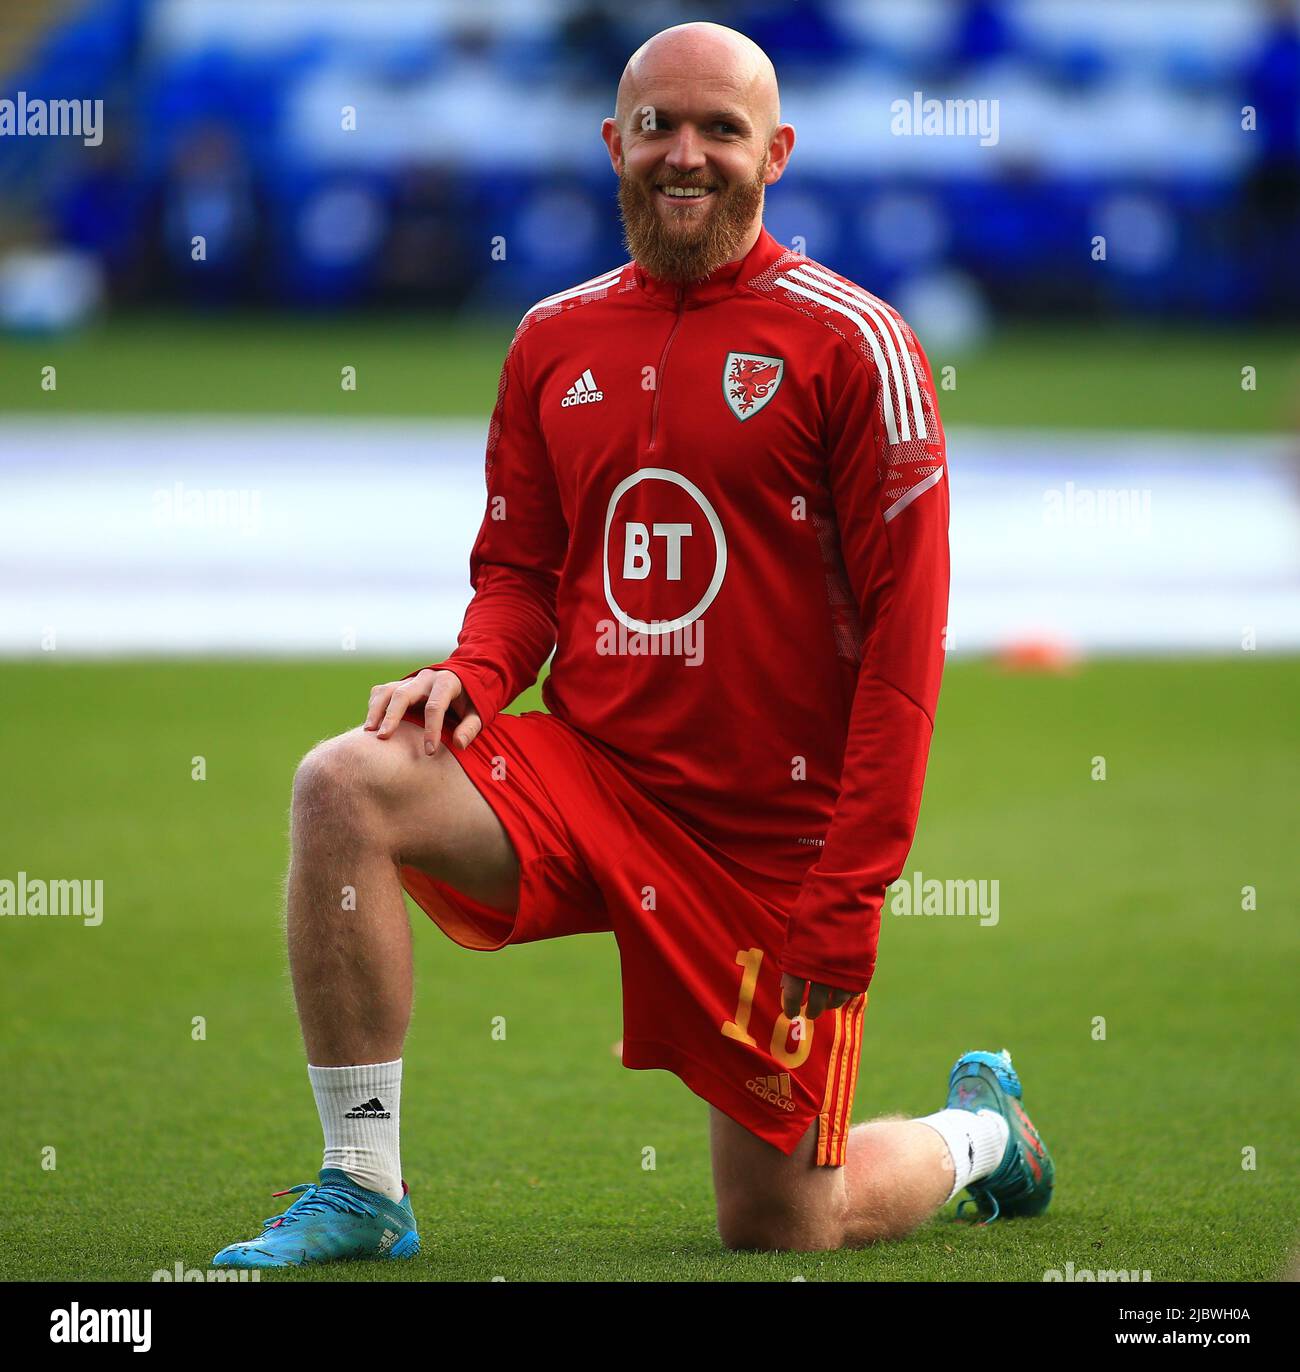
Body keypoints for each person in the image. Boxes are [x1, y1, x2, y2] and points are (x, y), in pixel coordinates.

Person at [212, 21, 1052, 1268]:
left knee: (779, 1225)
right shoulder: (551, 337)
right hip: (590, 780)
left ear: (776, 151)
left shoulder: (855, 344)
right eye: (657, 123)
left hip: (772, 839)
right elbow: (518, 575)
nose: (686, 153)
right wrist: (472, 674)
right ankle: (361, 1181)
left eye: (720, 129)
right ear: (614, 143)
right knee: (345, 781)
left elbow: (901, 649)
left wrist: (851, 890)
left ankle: (980, 1133)